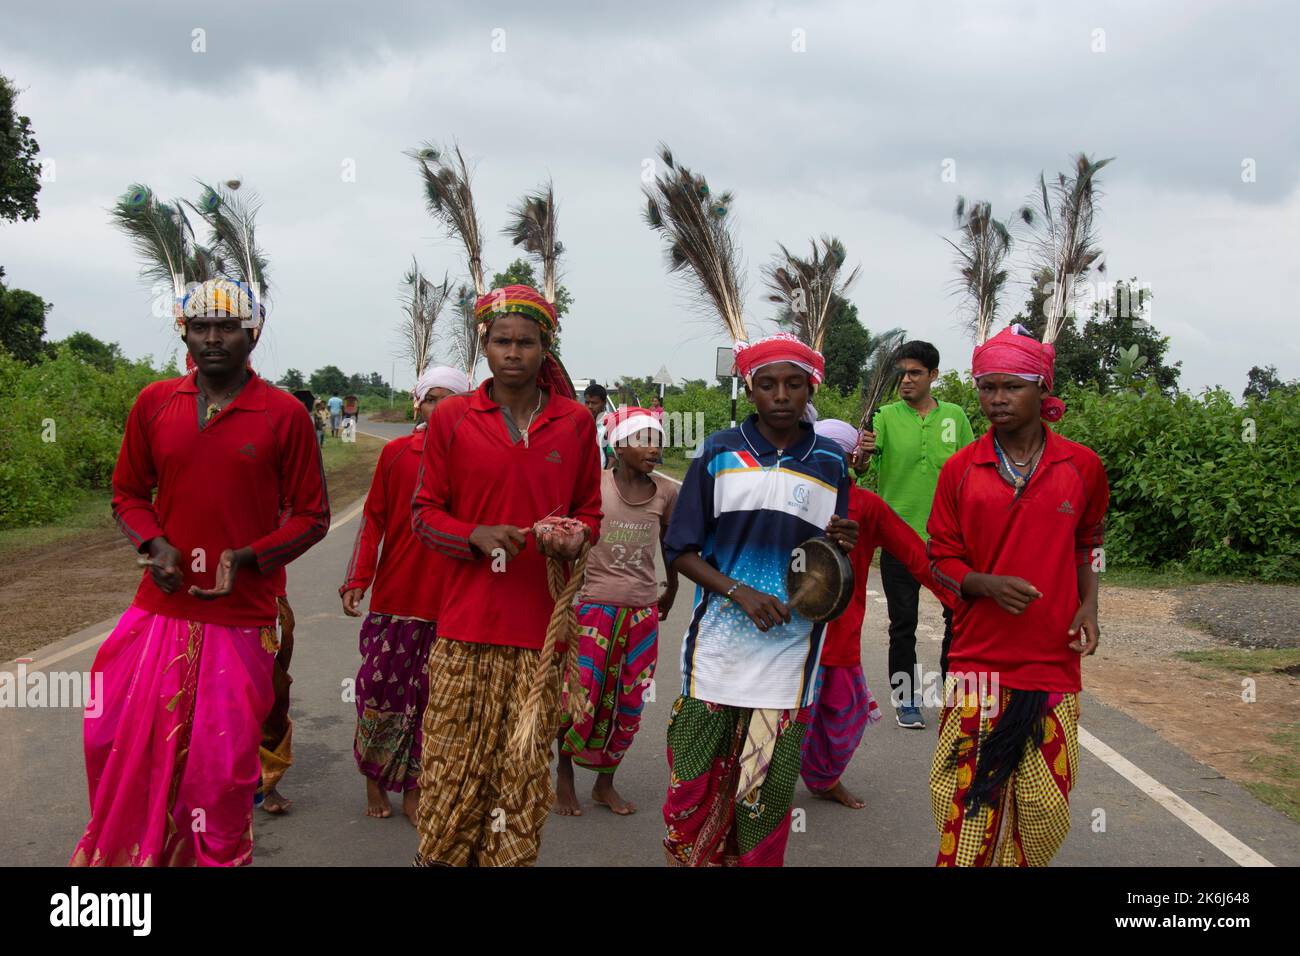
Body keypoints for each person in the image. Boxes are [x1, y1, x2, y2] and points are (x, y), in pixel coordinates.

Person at [71, 278, 329, 866]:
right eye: (201, 326)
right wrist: (155, 544)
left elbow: (313, 517)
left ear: (253, 333)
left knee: (216, 776)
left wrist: (247, 558)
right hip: (158, 610)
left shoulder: (283, 413)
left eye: (228, 327)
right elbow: (128, 493)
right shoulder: (154, 402)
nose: (213, 338)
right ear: (183, 331)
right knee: (107, 737)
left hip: (240, 618)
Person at [410, 284, 602, 866]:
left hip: (540, 640)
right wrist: (473, 535)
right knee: (451, 770)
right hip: (465, 628)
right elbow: (424, 514)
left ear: (547, 349)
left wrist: (575, 537)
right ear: (484, 347)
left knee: (519, 778)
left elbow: (590, 510)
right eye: (502, 342)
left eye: (526, 342)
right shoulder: (452, 418)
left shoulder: (574, 424)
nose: (513, 352)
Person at [660, 333, 858, 867]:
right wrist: (737, 591)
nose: (781, 395)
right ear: (751, 389)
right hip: (716, 654)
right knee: (693, 786)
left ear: (810, 387)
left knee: (766, 799)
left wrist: (843, 545)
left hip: (790, 656)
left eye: (794, 384)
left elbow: (831, 565)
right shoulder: (718, 452)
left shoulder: (831, 463)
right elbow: (679, 548)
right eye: (767, 384)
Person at [926, 324, 1108, 867]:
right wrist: (981, 583)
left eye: (1012, 387)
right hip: (978, 658)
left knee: (1043, 807)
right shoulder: (961, 469)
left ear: (1042, 389)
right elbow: (940, 558)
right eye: (987, 387)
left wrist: (1090, 604)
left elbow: (1090, 542)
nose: (997, 399)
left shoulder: (1082, 466)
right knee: (964, 805)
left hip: (1052, 660)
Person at [341, 365, 469, 824]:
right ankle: (374, 779)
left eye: (449, 399)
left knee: (437, 704)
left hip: (452, 606)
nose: (439, 408)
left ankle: (417, 788)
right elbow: (373, 519)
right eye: (431, 398)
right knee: (379, 694)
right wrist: (358, 578)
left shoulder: (472, 458)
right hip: (396, 602)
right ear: (419, 404)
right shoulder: (396, 454)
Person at [800, 419, 941, 809]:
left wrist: (963, 596)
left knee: (845, 717)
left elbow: (917, 555)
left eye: (834, 453)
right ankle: (760, 787)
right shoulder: (788, 497)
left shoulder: (868, 506)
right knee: (783, 720)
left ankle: (825, 778)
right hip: (786, 635)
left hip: (841, 637)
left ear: (851, 458)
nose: (822, 459)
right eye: (816, 450)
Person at [554, 406, 679, 817]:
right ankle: (566, 777)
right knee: (580, 695)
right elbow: (568, 534)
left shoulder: (665, 492)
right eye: (643, 440)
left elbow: (670, 546)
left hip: (641, 611)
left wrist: (672, 586)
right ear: (619, 445)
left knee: (629, 699)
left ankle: (605, 784)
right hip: (593, 607)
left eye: (657, 440)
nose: (653, 448)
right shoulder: (594, 485)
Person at [855, 340, 974, 729]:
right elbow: (860, 470)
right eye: (901, 373)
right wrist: (864, 453)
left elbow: (974, 471)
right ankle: (906, 701)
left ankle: (953, 695)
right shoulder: (885, 416)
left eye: (914, 373)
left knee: (957, 619)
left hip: (950, 542)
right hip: (899, 539)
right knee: (902, 624)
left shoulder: (955, 416)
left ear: (933, 376)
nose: (905, 380)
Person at [584, 382, 613, 469]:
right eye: (587, 402)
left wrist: (605, 478)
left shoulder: (610, 424)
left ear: (604, 403)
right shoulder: (580, 423)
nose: (590, 406)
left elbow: (612, 458)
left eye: (594, 403)